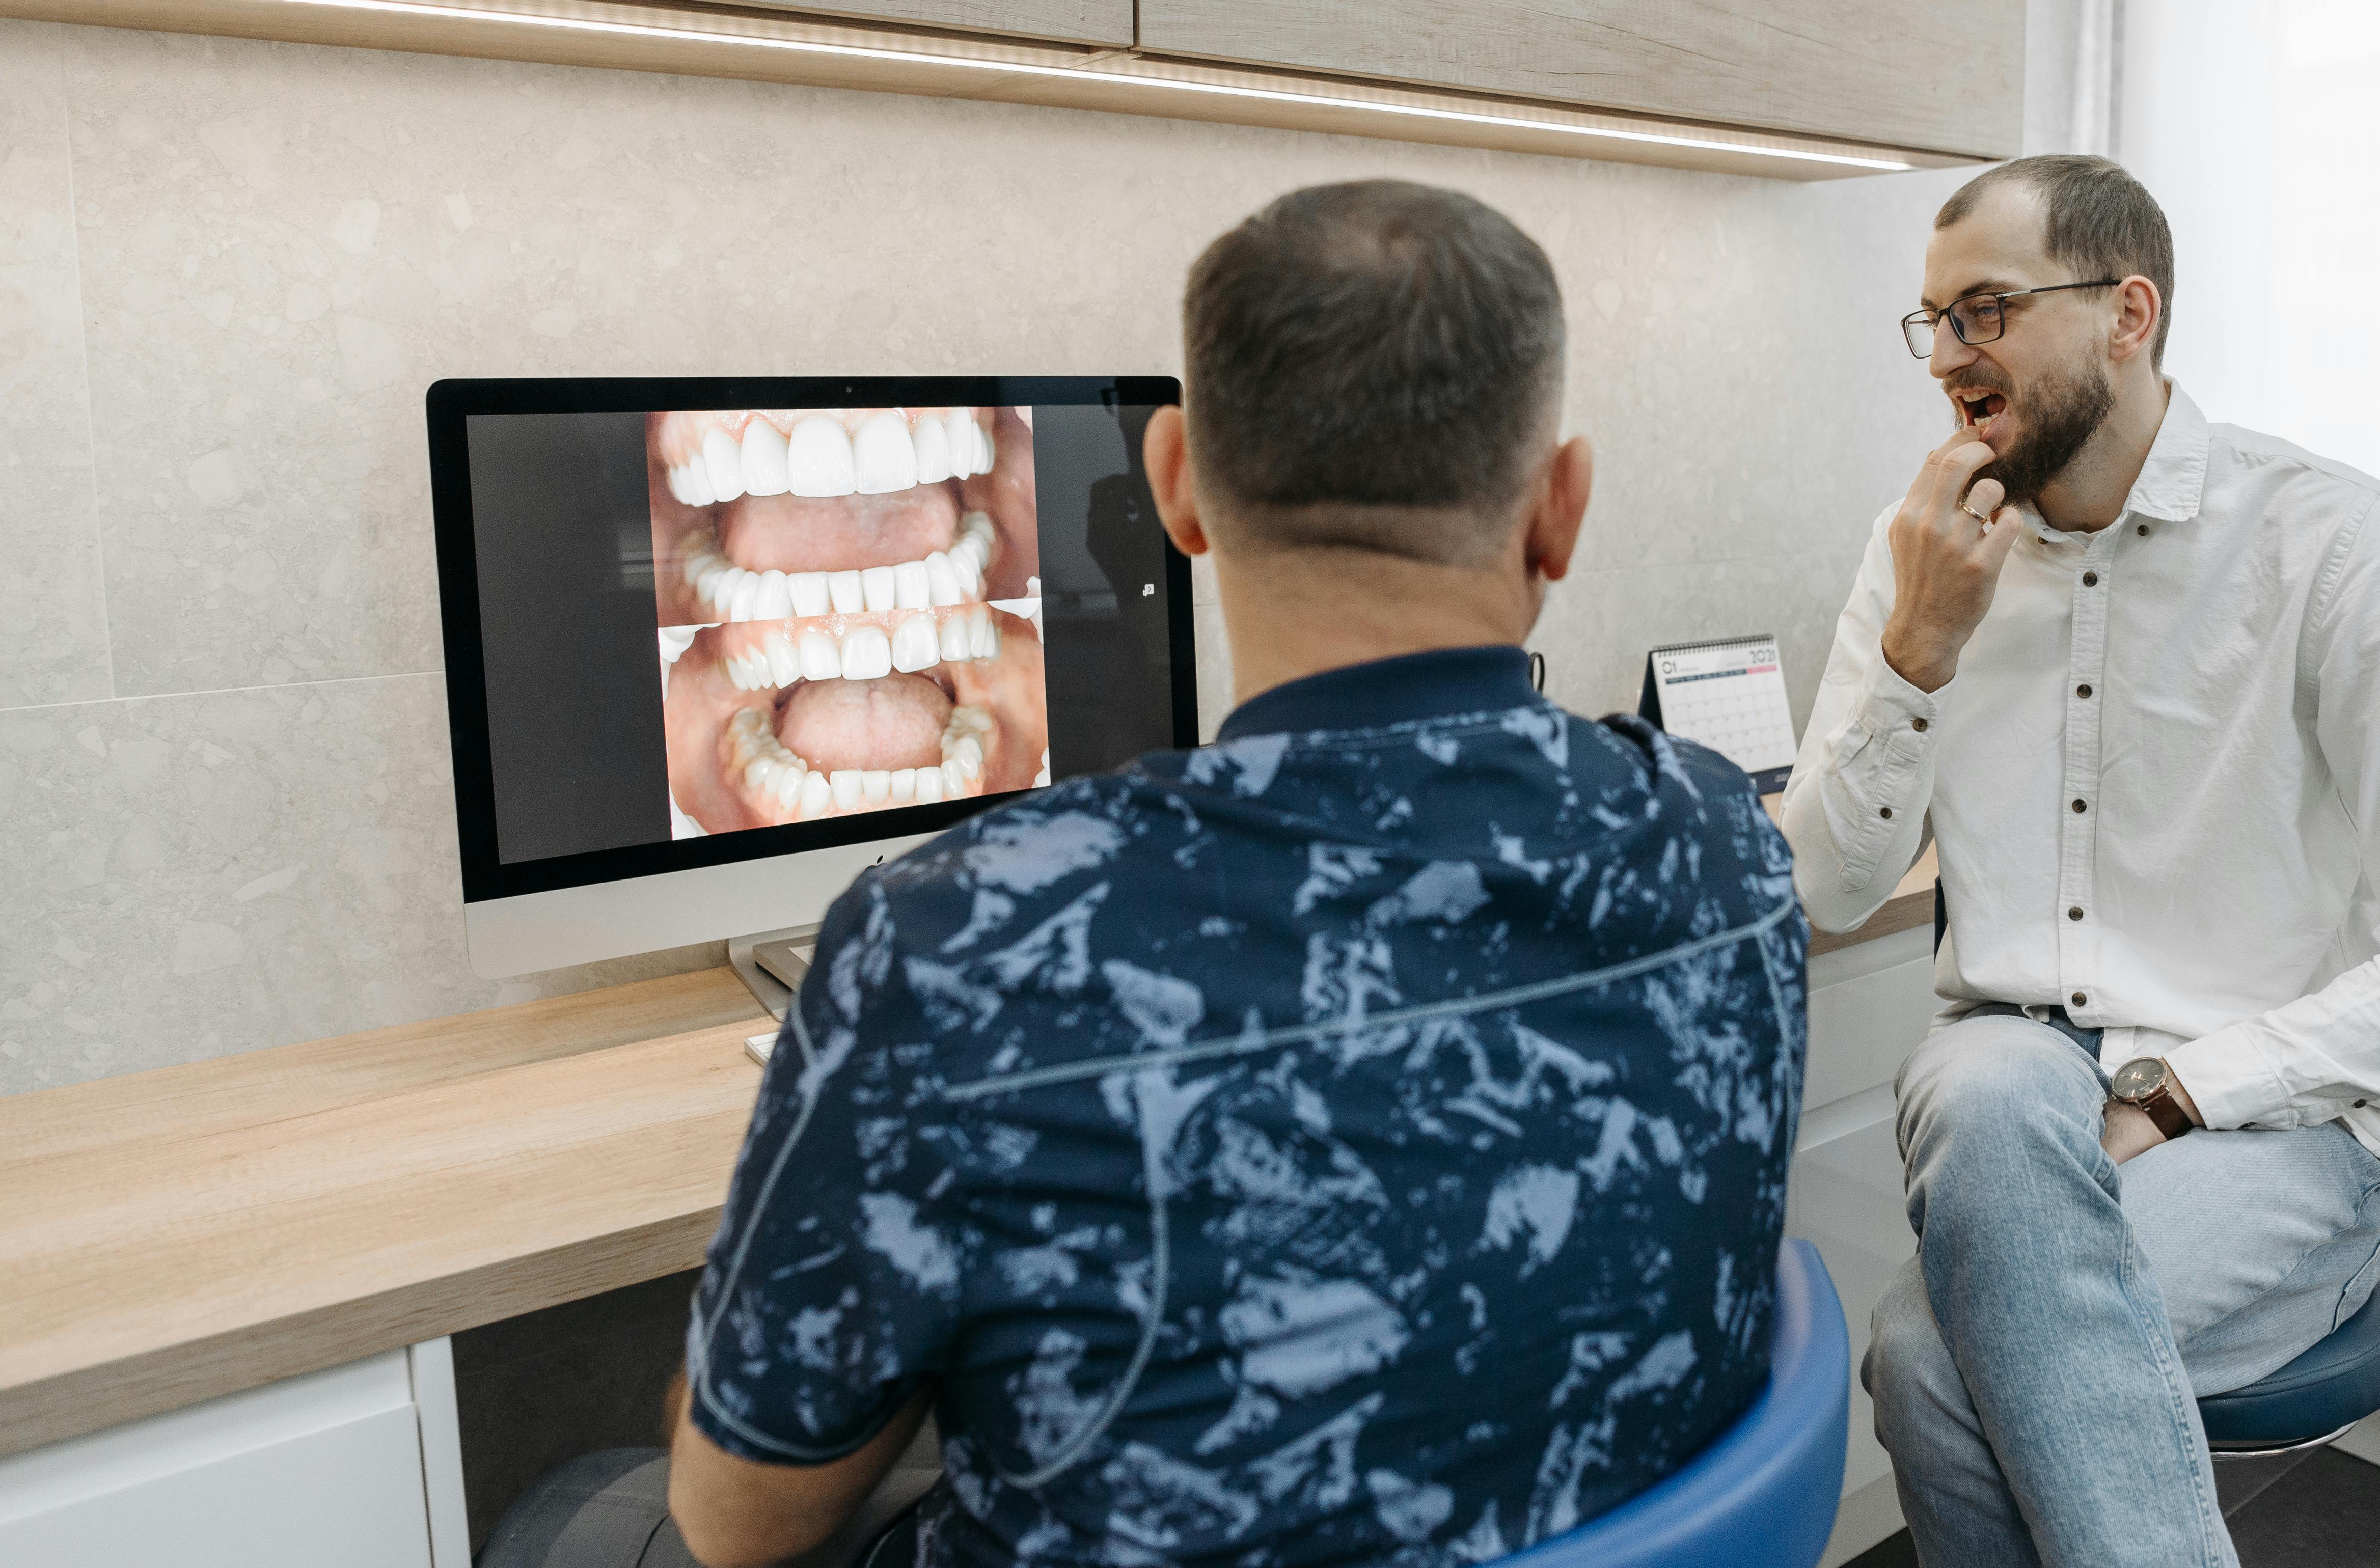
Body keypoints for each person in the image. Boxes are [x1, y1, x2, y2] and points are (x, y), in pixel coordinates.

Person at [482, 179, 1808, 1568]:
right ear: (1561, 507)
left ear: (1170, 483)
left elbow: (743, 1519)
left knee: (568, 1514)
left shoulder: (955, 945)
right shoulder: (1721, 837)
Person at [1779, 155, 2380, 1565]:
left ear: (2127, 312)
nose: (1948, 358)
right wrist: (1918, 652)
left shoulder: (2331, 544)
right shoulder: (1922, 558)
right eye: (1933, 322)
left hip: (2283, 1119)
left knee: (1931, 1362)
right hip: (2004, 1075)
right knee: (1993, 1085)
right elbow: (1827, 888)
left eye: (1986, 312)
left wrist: (2186, 1090)